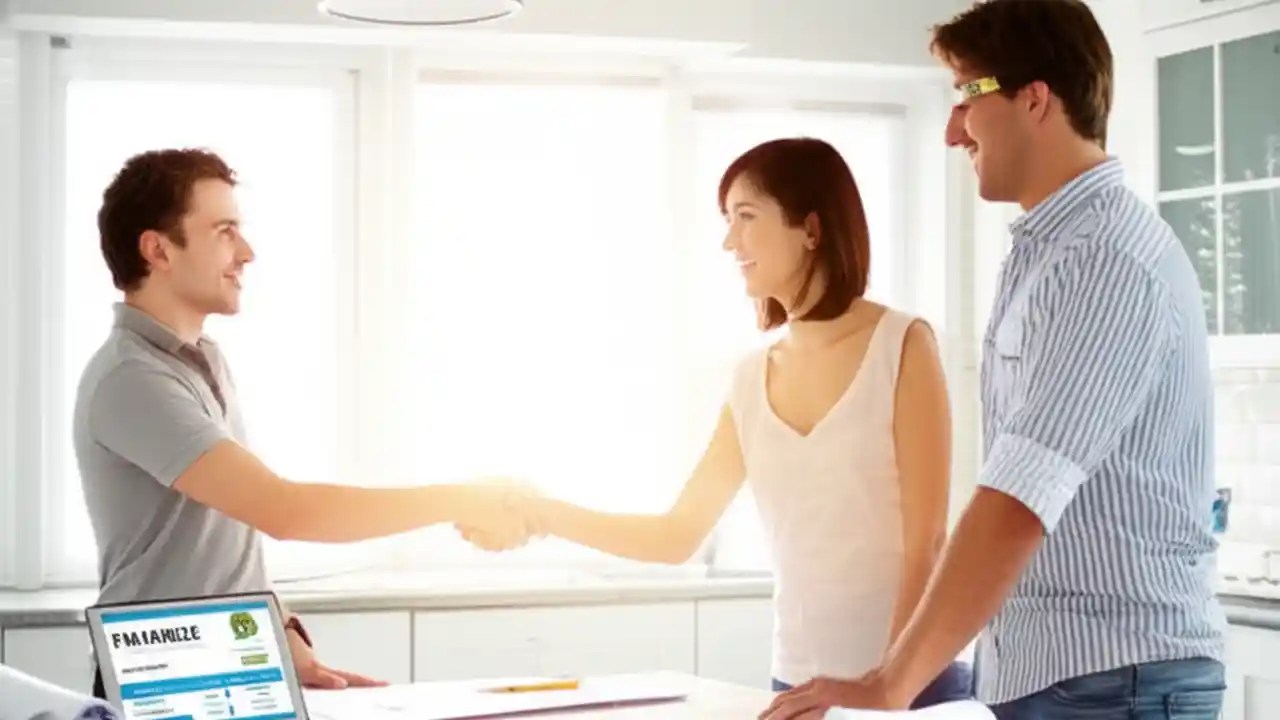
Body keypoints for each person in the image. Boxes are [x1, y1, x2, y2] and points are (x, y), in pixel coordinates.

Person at [760, 1, 1227, 719]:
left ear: (1036, 99)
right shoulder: (1046, 254)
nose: (952, 130)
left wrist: (892, 682)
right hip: (1072, 680)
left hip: (1115, 685)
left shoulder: (1103, 260)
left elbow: (1017, 497)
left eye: (966, 98)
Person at [462, 137, 973, 708]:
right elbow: (677, 535)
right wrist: (542, 512)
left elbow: (925, 541)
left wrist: (886, 686)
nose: (730, 241)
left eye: (746, 217)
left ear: (811, 228)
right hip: (798, 687)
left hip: (912, 687)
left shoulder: (902, 345)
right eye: (728, 221)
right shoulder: (751, 378)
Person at [74, 148, 534, 699]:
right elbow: (284, 510)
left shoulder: (204, 361)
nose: (246, 252)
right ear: (158, 250)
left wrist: (283, 630)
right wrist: (463, 498)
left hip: (225, 659)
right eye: (224, 232)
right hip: (160, 673)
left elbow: (220, 538)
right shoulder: (133, 379)